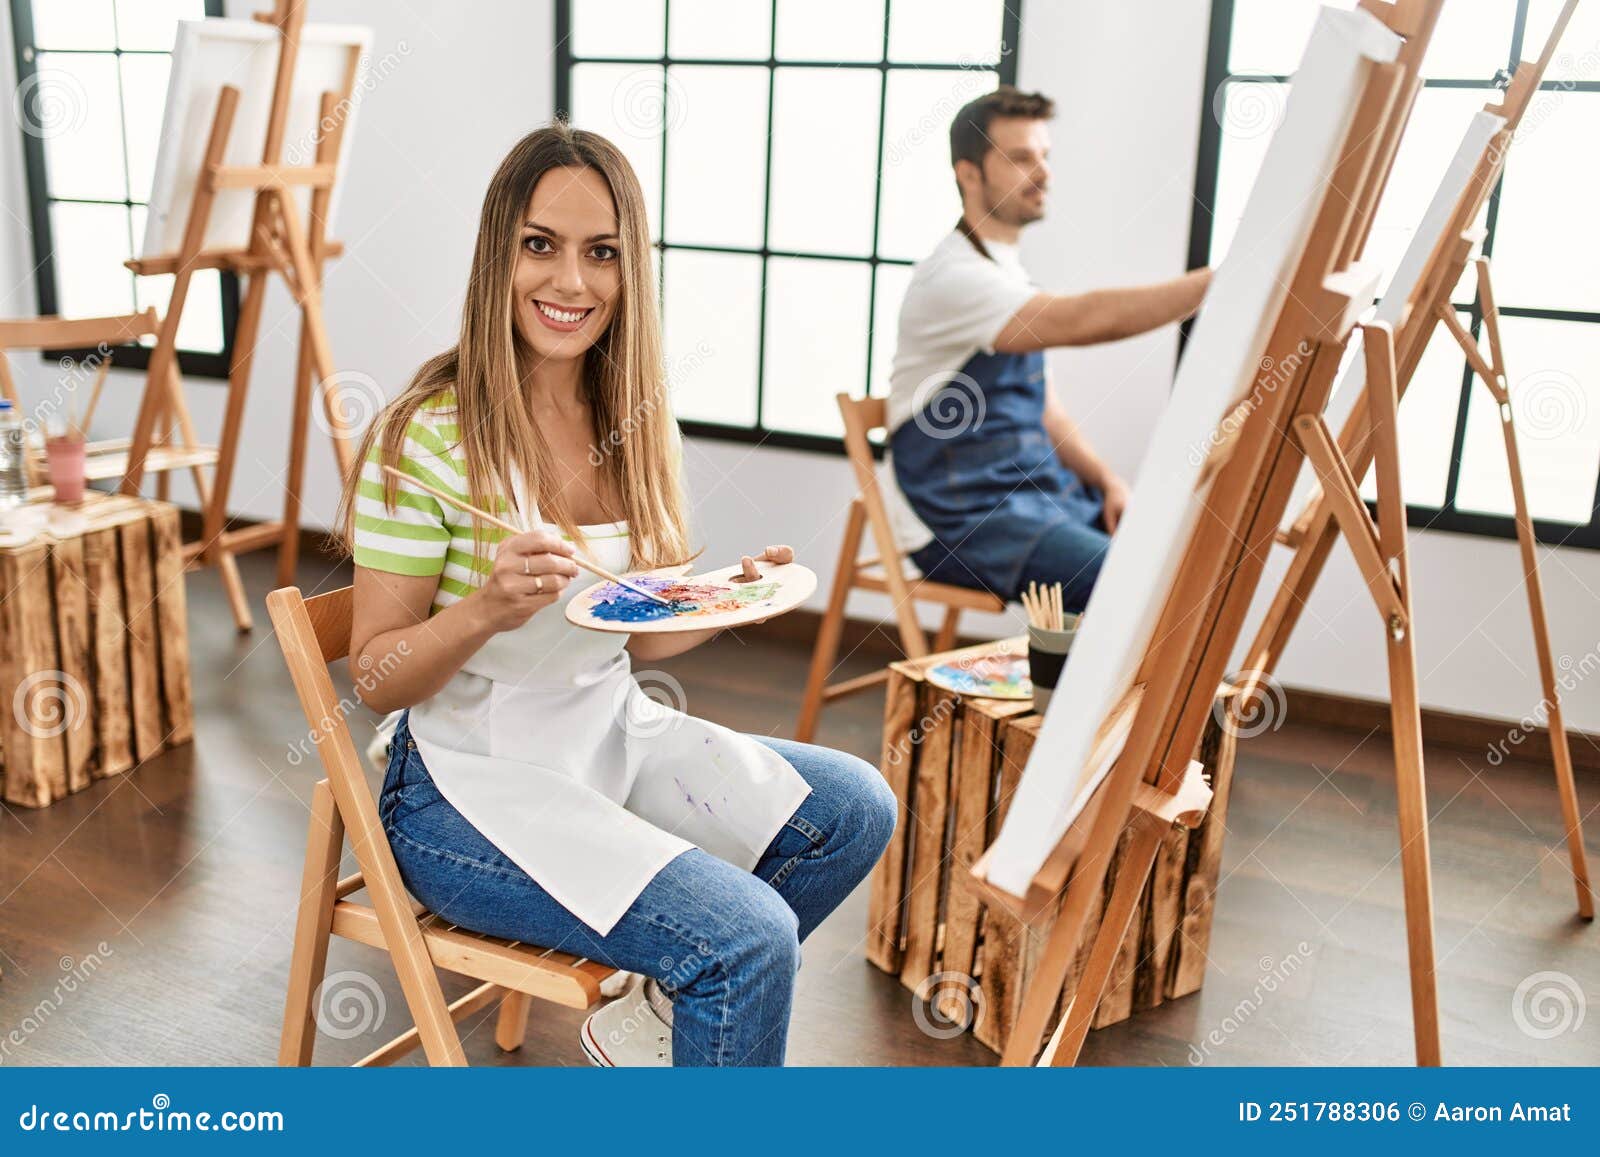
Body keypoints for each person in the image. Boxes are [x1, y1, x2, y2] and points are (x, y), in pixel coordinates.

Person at [339, 123, 896, 1067]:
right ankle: (697, 1007)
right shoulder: (422, 437)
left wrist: (723, 600)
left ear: (630, 269)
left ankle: (652, 1023)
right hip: (461, 789)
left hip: (607, 737)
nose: (571, 283)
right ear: (497, 254)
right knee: (746, 937)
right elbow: (376, 677)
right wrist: (482, 610)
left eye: (601, 253)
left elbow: (637, 634)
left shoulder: (633, 420)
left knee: (854, 806)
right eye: (539, 245)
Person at [886, 86, 1212, 613]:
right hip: (959, 516)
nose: (1042, 173)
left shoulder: (1007, 275)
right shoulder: (954, 279)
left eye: (1044, 156)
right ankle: (1081, 695)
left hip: (1034, 494)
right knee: (1128, 585)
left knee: (1170, 554)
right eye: (1019, 158)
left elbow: (1048, 413)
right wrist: (1219, 283)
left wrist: (1107, 480)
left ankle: (1092, 695)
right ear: (968, 174)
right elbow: (1085, 319)